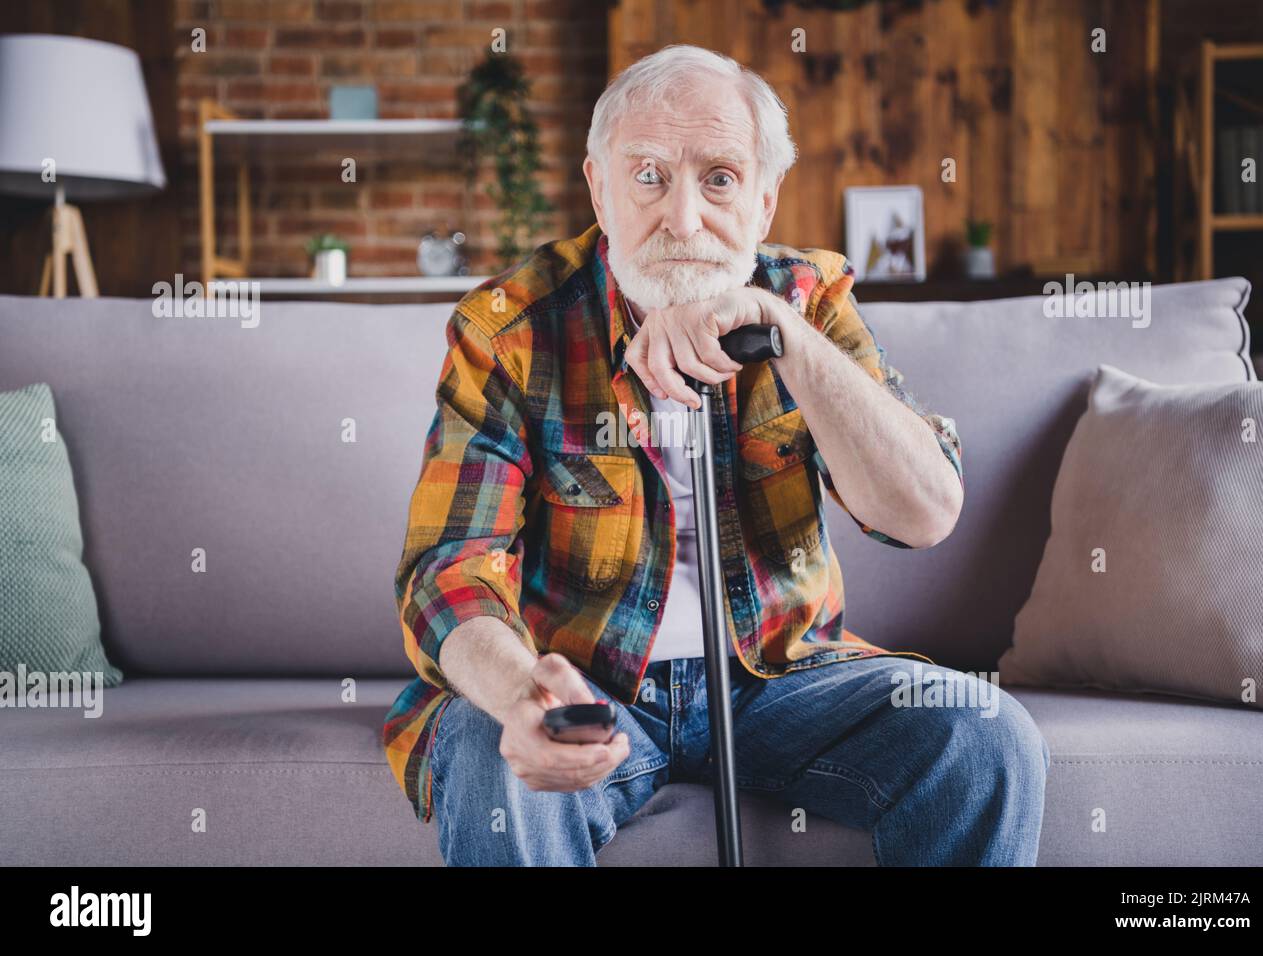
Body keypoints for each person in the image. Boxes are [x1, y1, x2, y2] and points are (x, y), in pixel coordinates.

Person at [382, 43, 1049, 866]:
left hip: (784, 681)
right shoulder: (509, 331)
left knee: (984, 735)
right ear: (599, 186)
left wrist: (783, 334)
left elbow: (923, 512)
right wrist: (524, 693)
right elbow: (449, 569)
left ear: (765, 202)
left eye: (721, 180)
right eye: (650, 175)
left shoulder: (809, 300)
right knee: (494, 756)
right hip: (589, 686)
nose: (685, 220)